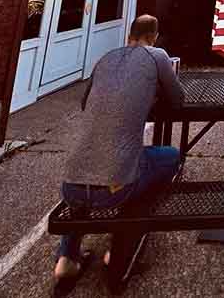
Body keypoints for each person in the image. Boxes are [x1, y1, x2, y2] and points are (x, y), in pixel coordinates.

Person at [53, 15, 184, 292]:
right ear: (154, 37)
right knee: (170, 157)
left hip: (70, 183)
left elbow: (85, 103)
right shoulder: (158, 56)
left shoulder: (105, 58)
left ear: (129, 36)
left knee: (92, 171)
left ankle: (67, 258)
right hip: (117, 184)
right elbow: (178, 100)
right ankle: (120, 248)